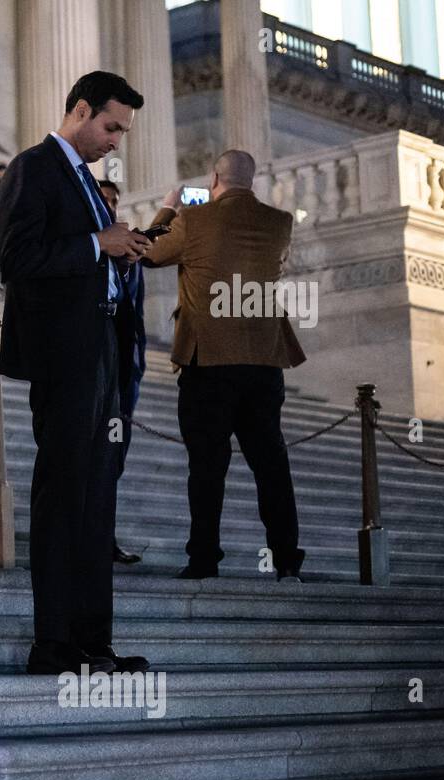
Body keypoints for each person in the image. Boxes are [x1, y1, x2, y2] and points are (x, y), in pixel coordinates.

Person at [0, 71, 151, 677]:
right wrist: (98, 244)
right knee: (63, 498)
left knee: (97, 501)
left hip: (102, 346)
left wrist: (120, 248)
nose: (116, 140)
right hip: (63, 355)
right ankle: (53, 645)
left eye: (123, 131)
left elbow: (93, 245)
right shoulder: (33, 167)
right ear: (80, 110)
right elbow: (16, 257)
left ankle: (94, 642)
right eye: (111, 126)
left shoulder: (85, 179)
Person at [141, 149, 307, 582]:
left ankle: (203, 560)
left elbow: (148, 252)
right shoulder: (279, 222)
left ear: (214, 177)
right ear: (250, 181)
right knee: (271, 463)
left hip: (209, 361)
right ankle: (286, 559)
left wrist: (169, 207)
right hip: (263, 361)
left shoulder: (194, 221)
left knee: (207, 467)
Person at [97, 178, 145, 565]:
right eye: (104, 199)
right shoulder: (90, 246)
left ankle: (105, 537)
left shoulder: (125, 247)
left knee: (117, 457)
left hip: (126, 369)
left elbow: (136, 308)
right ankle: (89, 538)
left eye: (114, 200)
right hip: (95, 364)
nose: (111, 206)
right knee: (93, 456)